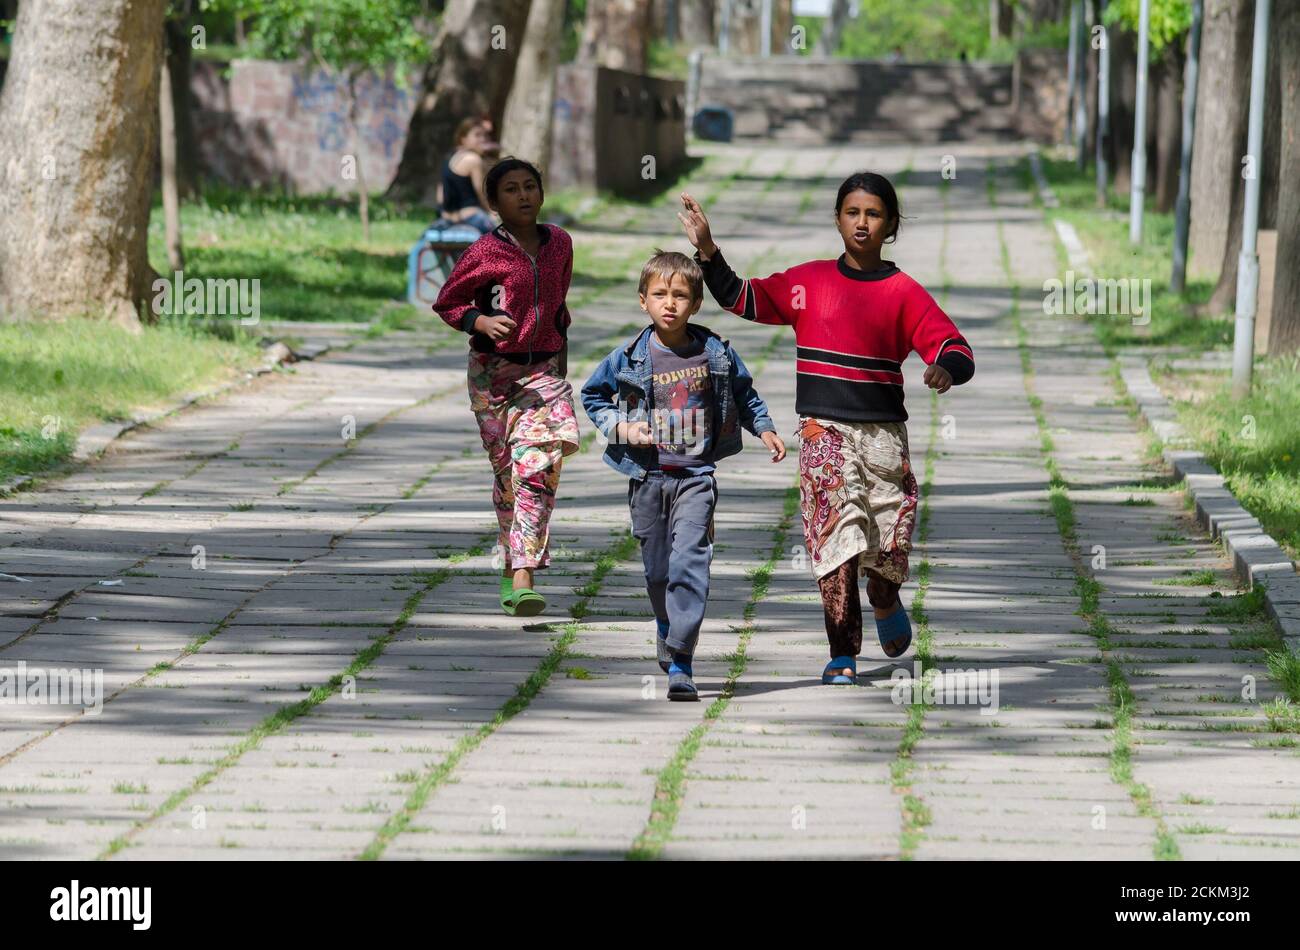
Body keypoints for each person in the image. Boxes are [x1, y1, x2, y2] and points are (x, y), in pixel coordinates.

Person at [678, 172, 975, 685]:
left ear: (891, 225)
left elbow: (955, 346)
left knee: (886, 545)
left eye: (874, 214)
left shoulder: (904, 292)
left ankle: (884, 596)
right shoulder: (807, 283)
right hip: (822, 432)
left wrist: (946, 367)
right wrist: (706, 248)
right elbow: (740, 297)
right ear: (838, 218)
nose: (862, 223)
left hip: (884, 438)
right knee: (835, 537)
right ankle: (843, 653)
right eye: (852, 213)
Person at [581, 251, 786, 701]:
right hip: (648, 476)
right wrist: (621, 427)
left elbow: (744, 394)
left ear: (695, 304)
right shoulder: (628, 357)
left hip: (696, 477)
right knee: (658, 572)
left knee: (690, 563)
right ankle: (665, 624)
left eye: (680, 296)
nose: (669, 303)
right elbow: (593, 395)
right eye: (660, 294)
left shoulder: (715, 352)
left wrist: (765, 428)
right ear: (643, 301)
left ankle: (681, 658)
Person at [433, 157, 578, 617]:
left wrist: (559, 362)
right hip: (492, 376)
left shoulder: (560, 243)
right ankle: (510, 559)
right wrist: (480, 319)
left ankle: (524, 573)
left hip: (544, 375)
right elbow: (448, 302)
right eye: (511, 189)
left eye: (530, 186)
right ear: (494, 203)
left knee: (537, 467)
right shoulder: (484, 252)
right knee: (508, 478)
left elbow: (559, 307)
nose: (523, 195)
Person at [436, 118, 497, 234]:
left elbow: (440, 194)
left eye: (485, 136)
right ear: (463, 139)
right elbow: (481, 191)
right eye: (477, 135)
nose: (483, 139)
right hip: (472, 216)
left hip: (447, 218)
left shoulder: (450, 157)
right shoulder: (473, 159)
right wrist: (493, 212)